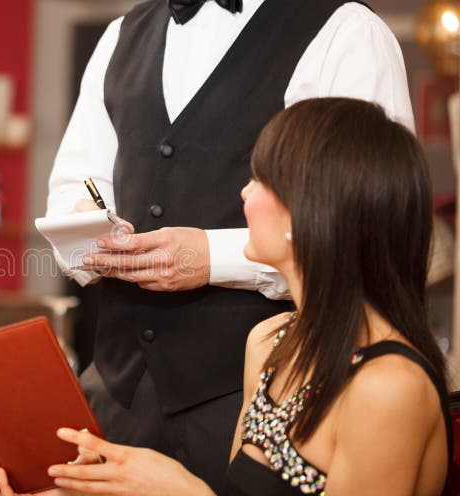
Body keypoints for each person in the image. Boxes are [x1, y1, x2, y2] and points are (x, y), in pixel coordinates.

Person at [0, 97, 452, 496]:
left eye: (261, 180)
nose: (244, 194)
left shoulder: (388, 386)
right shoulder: (271, 342)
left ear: (311, 214)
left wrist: (183, 490)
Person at [45, 0, 414, 490]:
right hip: (118, 389)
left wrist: (211, 259)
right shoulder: (120, 36)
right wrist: (88, 234)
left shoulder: (347, 32)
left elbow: (369, 226)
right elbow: (73, 187)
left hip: (261, 398)